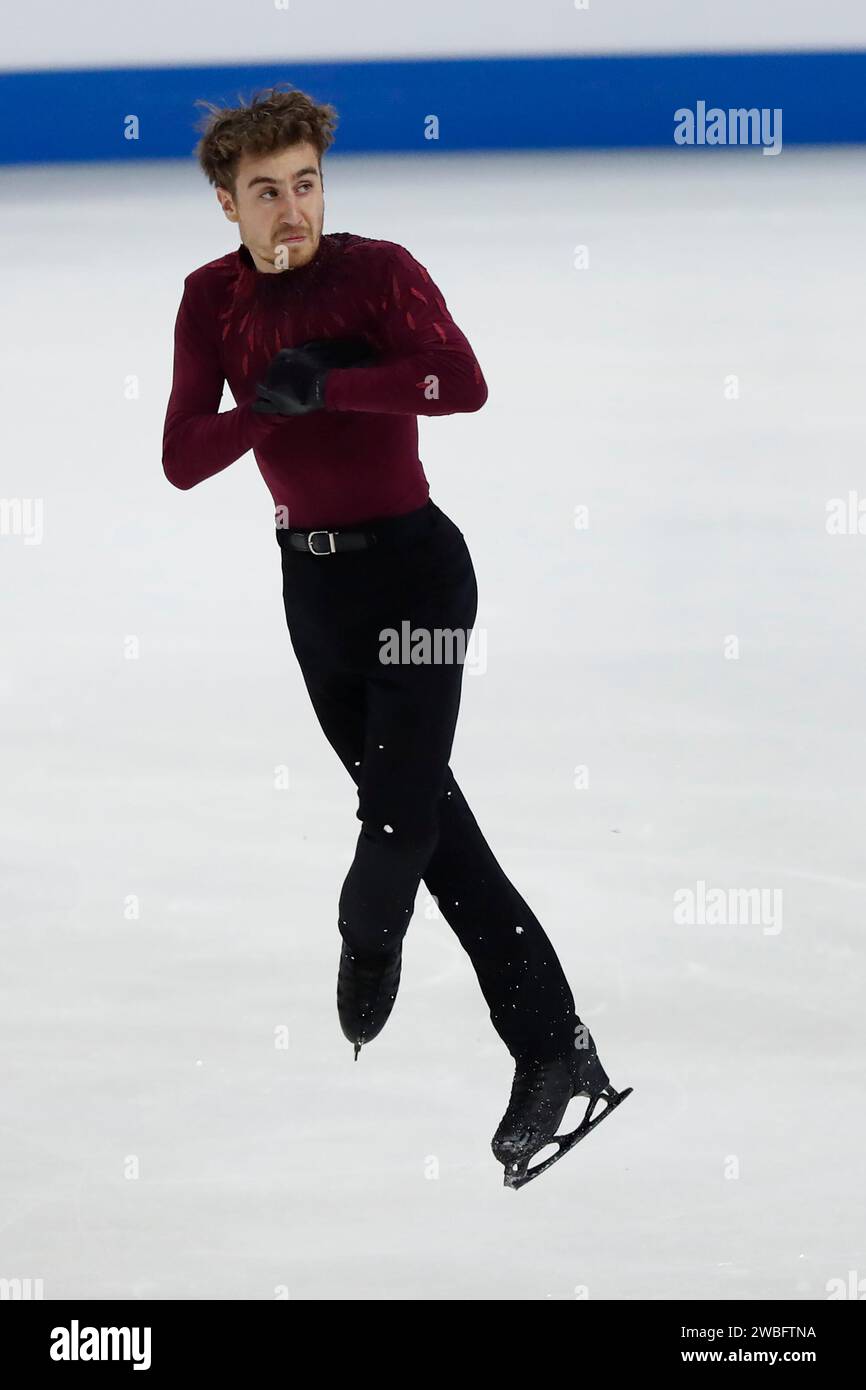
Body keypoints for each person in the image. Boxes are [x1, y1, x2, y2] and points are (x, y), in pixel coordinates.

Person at [162, 84, 629, 1188]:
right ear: (227, 204)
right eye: (265, 192)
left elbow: (457, 381)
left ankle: (375, 942)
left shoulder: (376, 272)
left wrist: (337, 382)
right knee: (432, 832)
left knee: (389, 853)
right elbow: (184, 454)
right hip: (313, 601)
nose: (292, 211)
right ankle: (555, 1050)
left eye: (306, 184)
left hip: (417, 578)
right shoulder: (209, 301)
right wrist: (261, 411)